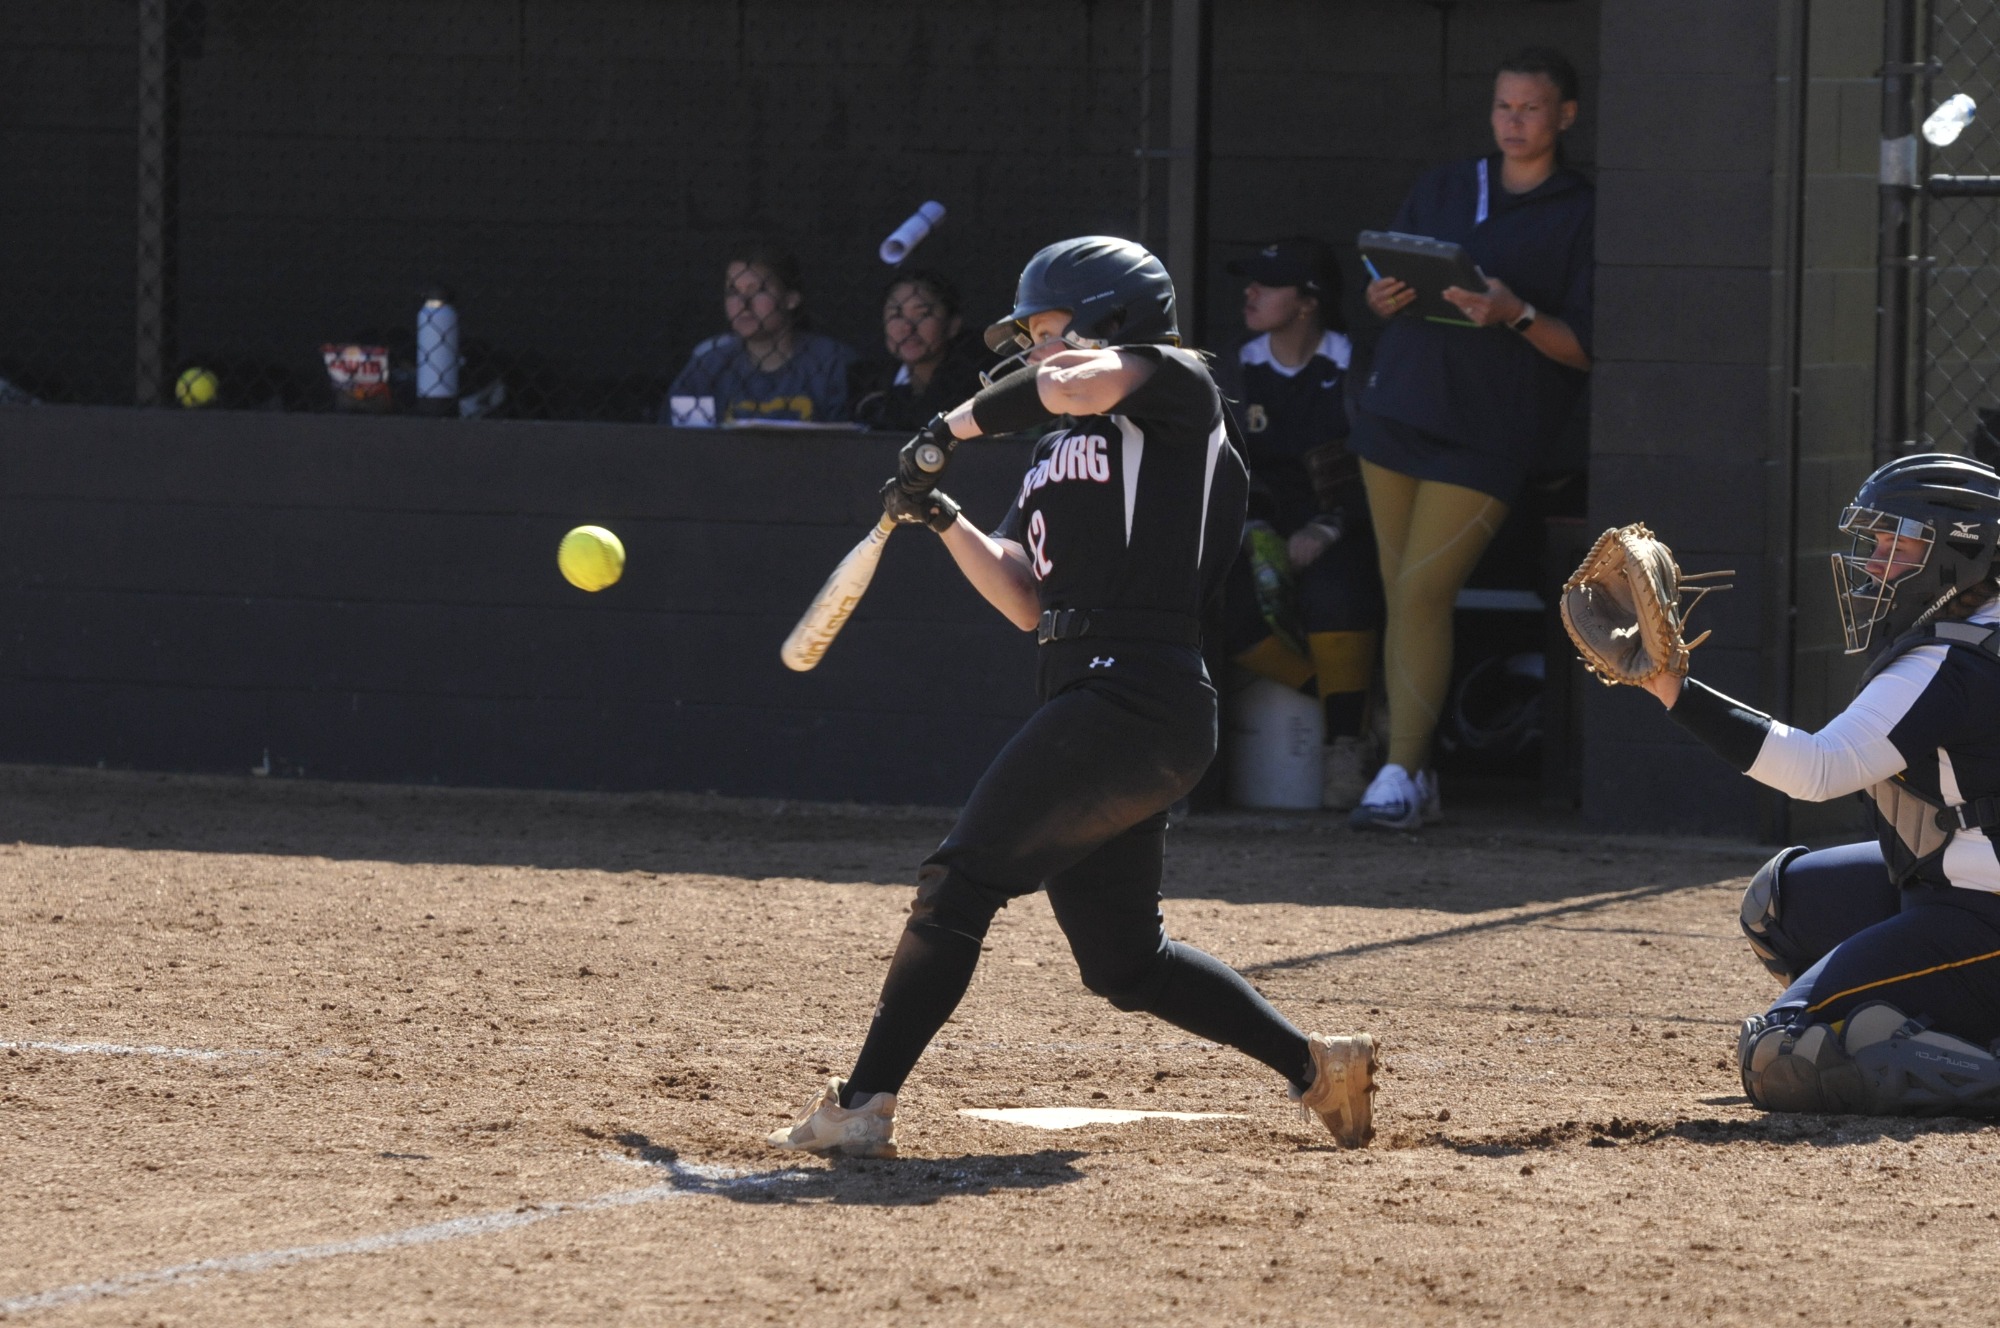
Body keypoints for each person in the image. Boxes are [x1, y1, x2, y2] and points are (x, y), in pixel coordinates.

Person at [764, 236, 1379, 1158]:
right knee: (1127, 965)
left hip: (1137, 690)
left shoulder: (1176, 387)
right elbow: (1022, 594)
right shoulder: (1056, 454)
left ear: (1113, 319)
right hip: (1097, 699)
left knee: (959, 879)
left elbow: (1069, 385)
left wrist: (947, 430)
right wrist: (942, 515)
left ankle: (862, 1104)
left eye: (1051, 328)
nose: (1035, 350)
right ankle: (1317, 1068)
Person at [1641, 453, 2000, 1117]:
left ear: (1960, 556)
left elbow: (1817, 768)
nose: (1872, 564)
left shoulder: (1947, 660)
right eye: (1876, 541)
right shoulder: (1980, 635)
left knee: (1782, 1053)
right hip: (1953, 886)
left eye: (1898, 544)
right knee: (1781, 903)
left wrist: (1671, 690)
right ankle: (1959, 1028)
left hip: (1982, 919)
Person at [1349, 46, 1594, 831]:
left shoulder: (1583, 207)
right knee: (1400, 597)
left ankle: (1400, 771)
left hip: (1489, 433)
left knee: (1423, 592)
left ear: (1565, 116)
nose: (1513, 122)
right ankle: (1409, 773)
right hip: (1396, 411)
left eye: (1529, 108)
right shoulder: (1448, 184)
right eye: (1502, 107)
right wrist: (1383, 295)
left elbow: (1584, 346)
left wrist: (1513, 313)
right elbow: (1391, 277)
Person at [1216, 238, 1383, 809]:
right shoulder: (1237, 365)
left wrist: (1331, 527)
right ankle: (1354, 711)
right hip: (1260, 526)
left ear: (1308, 302)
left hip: (1344, 529)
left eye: (1269, 283)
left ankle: (1344, 748)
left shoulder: (1355, 362)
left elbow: (1381, 468)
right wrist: (1253, 525)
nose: (1251, 292)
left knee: (1337, 594)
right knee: (1220, 604)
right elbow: (1224, 464)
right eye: (1250, 281)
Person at [661, 246, 857, 426]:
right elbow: (680, 444)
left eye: (759, 290)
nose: (743, 304)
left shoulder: (833, 363)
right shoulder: (708, 365)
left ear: (791, 298)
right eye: (733, 291)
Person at [849, 268, 993, 431]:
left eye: (923, 314)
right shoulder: (869, 378)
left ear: (952, 325)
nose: (908, 327)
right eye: (896, 315)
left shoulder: (979, 376)